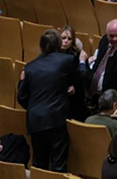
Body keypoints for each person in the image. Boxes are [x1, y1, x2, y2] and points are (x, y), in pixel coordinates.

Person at [18, 28, 84, 171]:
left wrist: (34, 107)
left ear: (41, 46)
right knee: (57, 165)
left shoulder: (29, 67)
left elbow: (21, 97)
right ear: (58, 44)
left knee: (39, 164)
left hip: (36, 120)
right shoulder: (68, 60)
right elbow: (78, 82)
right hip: (56, 119)